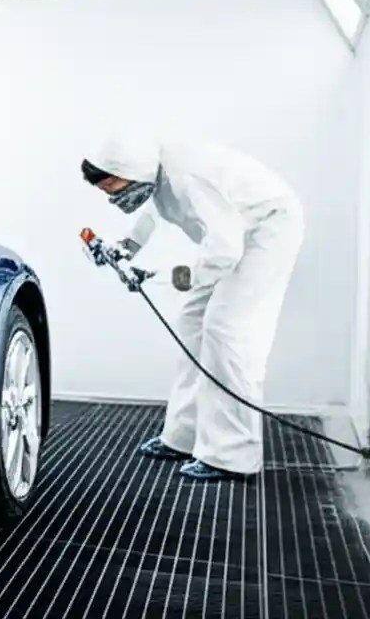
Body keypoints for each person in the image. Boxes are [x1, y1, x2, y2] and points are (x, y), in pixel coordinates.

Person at [81, 135, 304, 481]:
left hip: (267, 228)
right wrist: (127, 247)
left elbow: (225, 252)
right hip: (231, 234)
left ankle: (232, 455)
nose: (113, 198)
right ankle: (183, 436)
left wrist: (162, 276)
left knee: (226, 330)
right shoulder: (155, 171)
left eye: (114, 188)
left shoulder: (189, 177)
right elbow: (156, 208)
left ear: (131, 171)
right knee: (191, 324)